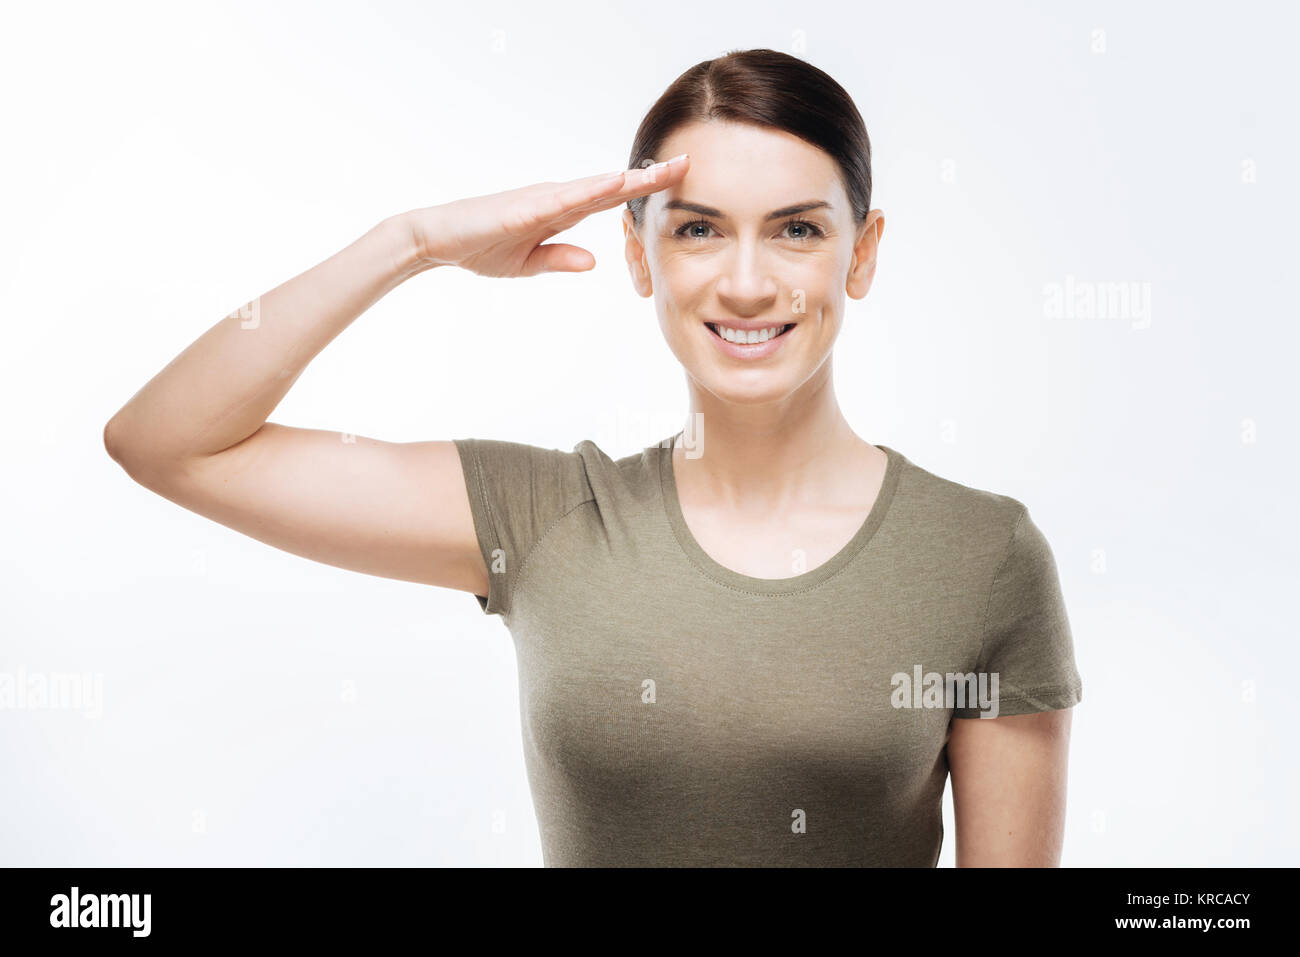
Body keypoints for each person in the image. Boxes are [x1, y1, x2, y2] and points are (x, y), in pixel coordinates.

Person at [104, 48, 1082, 867]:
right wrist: (411, 243)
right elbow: (167, 443)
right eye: (697, 230)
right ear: (638, 253)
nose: (746, 283)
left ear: (860, 254)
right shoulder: (543, 519)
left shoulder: (978, 555)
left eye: (795, 231)